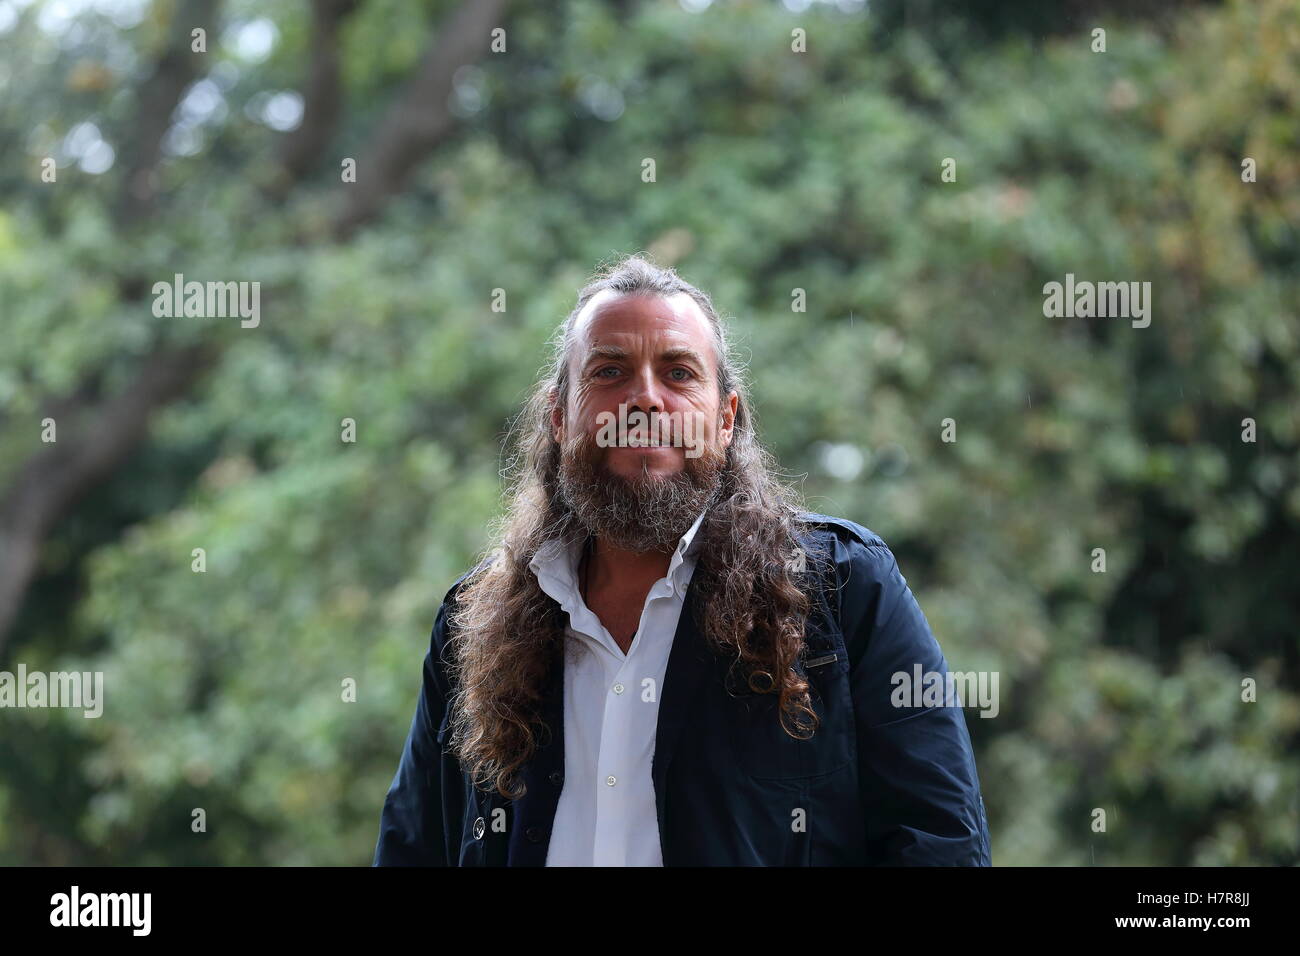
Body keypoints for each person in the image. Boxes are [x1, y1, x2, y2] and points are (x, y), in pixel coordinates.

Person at [373, 254, 991, 866]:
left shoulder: (841, 590)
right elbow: (412, 850)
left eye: (678, 373)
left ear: (725, 420)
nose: (645, 399)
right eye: (610, 372)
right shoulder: (472, 625)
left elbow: (941, 844)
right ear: (562, 420)